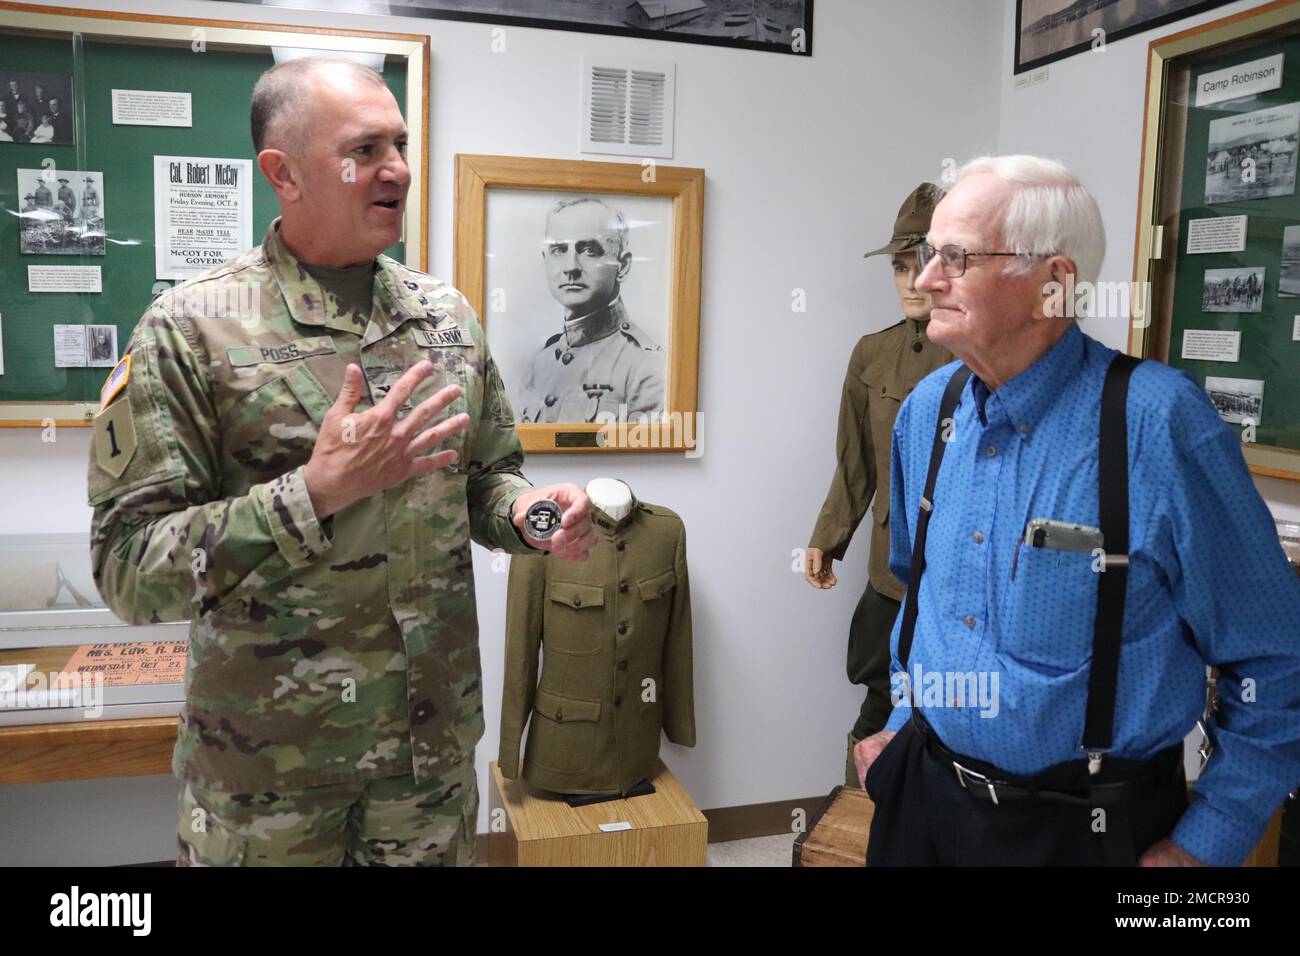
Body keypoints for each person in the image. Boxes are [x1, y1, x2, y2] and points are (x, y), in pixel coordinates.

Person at [87, 56, 598, 867]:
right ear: (282, 173)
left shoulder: (443, 316)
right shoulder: (189, 328)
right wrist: (315, 493)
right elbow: (126, 569)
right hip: (270, 772)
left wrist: (530, 515)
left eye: (399, 144)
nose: (396, 169)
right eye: (364, 150)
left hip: (426, 755)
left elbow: (486, 477)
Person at [856, 155, 1300, 867]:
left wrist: (1209, 838)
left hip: (1086, 830)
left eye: (956, 257)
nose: (927, 278)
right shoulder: (924, 416)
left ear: (1053, 284)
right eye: (927, 254)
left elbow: (1276, 657)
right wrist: (904, 719)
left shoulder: (1157, 423)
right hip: (923, 804)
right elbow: (921, 588)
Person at [804, 183, 951, 787]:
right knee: (878, 698)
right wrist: (827, 537)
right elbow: (856, 463)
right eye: (899, 265)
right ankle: (860, 824)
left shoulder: (977, 353)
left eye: (923, 262)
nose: (912, 279)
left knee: (949, 706)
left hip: (953, 572)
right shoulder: (871, 354)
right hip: (890, 571)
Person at [515, 197, 665, 423]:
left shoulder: (647, 367)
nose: (571, 267)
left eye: (588, 250)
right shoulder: (539, 365)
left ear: (622, 266)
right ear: (545, 260)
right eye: (558, 250)